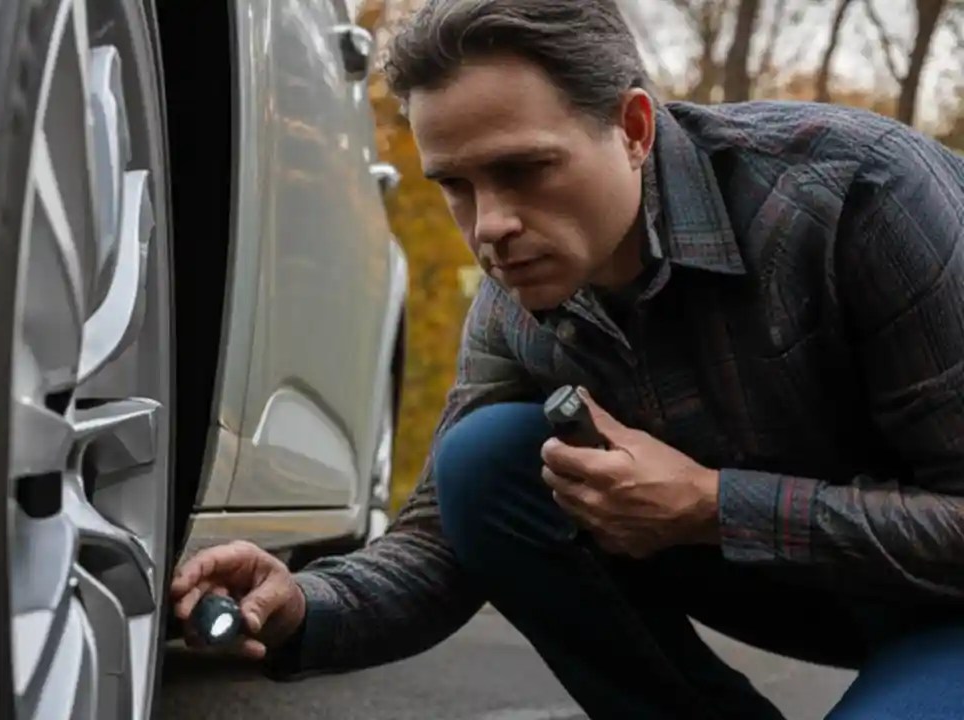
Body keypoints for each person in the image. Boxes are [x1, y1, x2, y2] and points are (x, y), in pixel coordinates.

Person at [171, 1, 964, 717]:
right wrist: (301, 603)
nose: (490, 226)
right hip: (827, 590)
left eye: (524, 169)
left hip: (947, 603)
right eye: (457, 185)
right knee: (482, 462)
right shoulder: (518, 302)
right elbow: (443, 541)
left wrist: (713, 504)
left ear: (634, 129)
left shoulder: (861, 195)